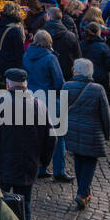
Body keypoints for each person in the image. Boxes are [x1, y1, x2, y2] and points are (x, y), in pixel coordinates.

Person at [0, 67, 54, 220]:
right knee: (25, 205)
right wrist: (43, 160)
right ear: (25, 85)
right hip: (29, 164)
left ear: (8, 85)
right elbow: (51, 137)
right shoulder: (39, 105)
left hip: (2, 165)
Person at [23, 30, 72, 183]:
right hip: (49, 99)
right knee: (57, 135)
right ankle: (59, 170)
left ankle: (40, 168)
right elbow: (59, 82)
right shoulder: (50, 58)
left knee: (37, 135)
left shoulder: (26, 55)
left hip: (31, 98)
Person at [64, 58, 110, 211]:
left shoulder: (67, 86)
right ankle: (83, 193)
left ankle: (83, 190)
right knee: (90, 161)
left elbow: (62, 111)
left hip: (73, 130)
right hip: (92, 132)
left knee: (78, 158)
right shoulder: (98, 89)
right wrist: (107, 134)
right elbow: (106, 114)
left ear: (76, 71)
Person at [83, 23, 110, 131]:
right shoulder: (102, 46)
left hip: (86, 76)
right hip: (101, 77)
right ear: (98, 32)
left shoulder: (83, 43)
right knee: (107, 101)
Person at [44, 6, 80, 81]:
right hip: (66, 71)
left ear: (49, 17)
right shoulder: (71, 35)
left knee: (51, 92)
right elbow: (77, 55)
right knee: (64, 91)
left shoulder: (41, 34)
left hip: (47, 71)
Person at [0, 1, 25, 80]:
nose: (21, 13)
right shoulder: (15, 30)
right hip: (13, 64)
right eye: (19, 11)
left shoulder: (0, 25)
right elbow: (19, 51)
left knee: (7, 85)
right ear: (15, 13)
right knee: (15, 88)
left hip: (2, 61)